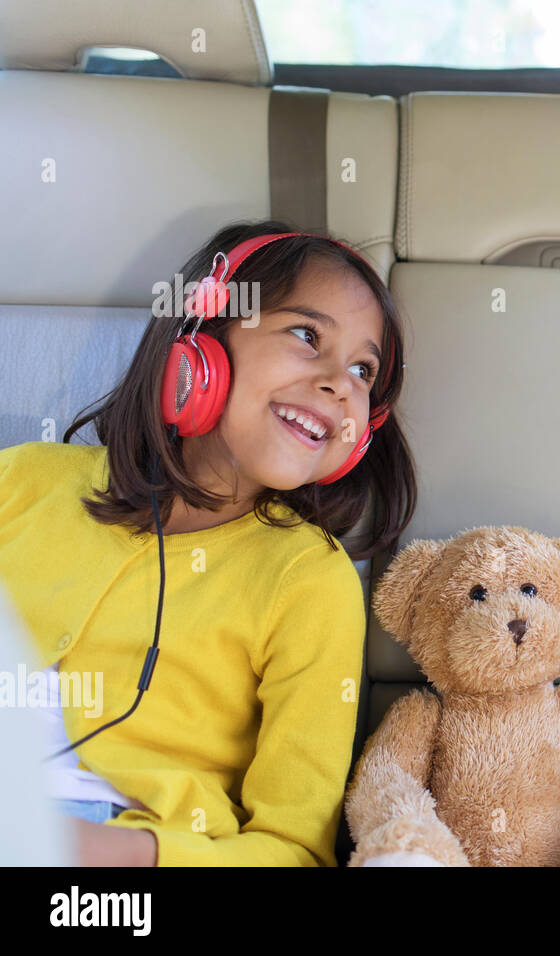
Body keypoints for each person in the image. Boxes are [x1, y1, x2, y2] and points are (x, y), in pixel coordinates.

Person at [0, 220, 417, 865]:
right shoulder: (24, 480)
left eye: (365, 371)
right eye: (307, 336)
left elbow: (293, 850)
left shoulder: (309, 581)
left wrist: (104, 854)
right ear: (202, 348)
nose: (343, 384)